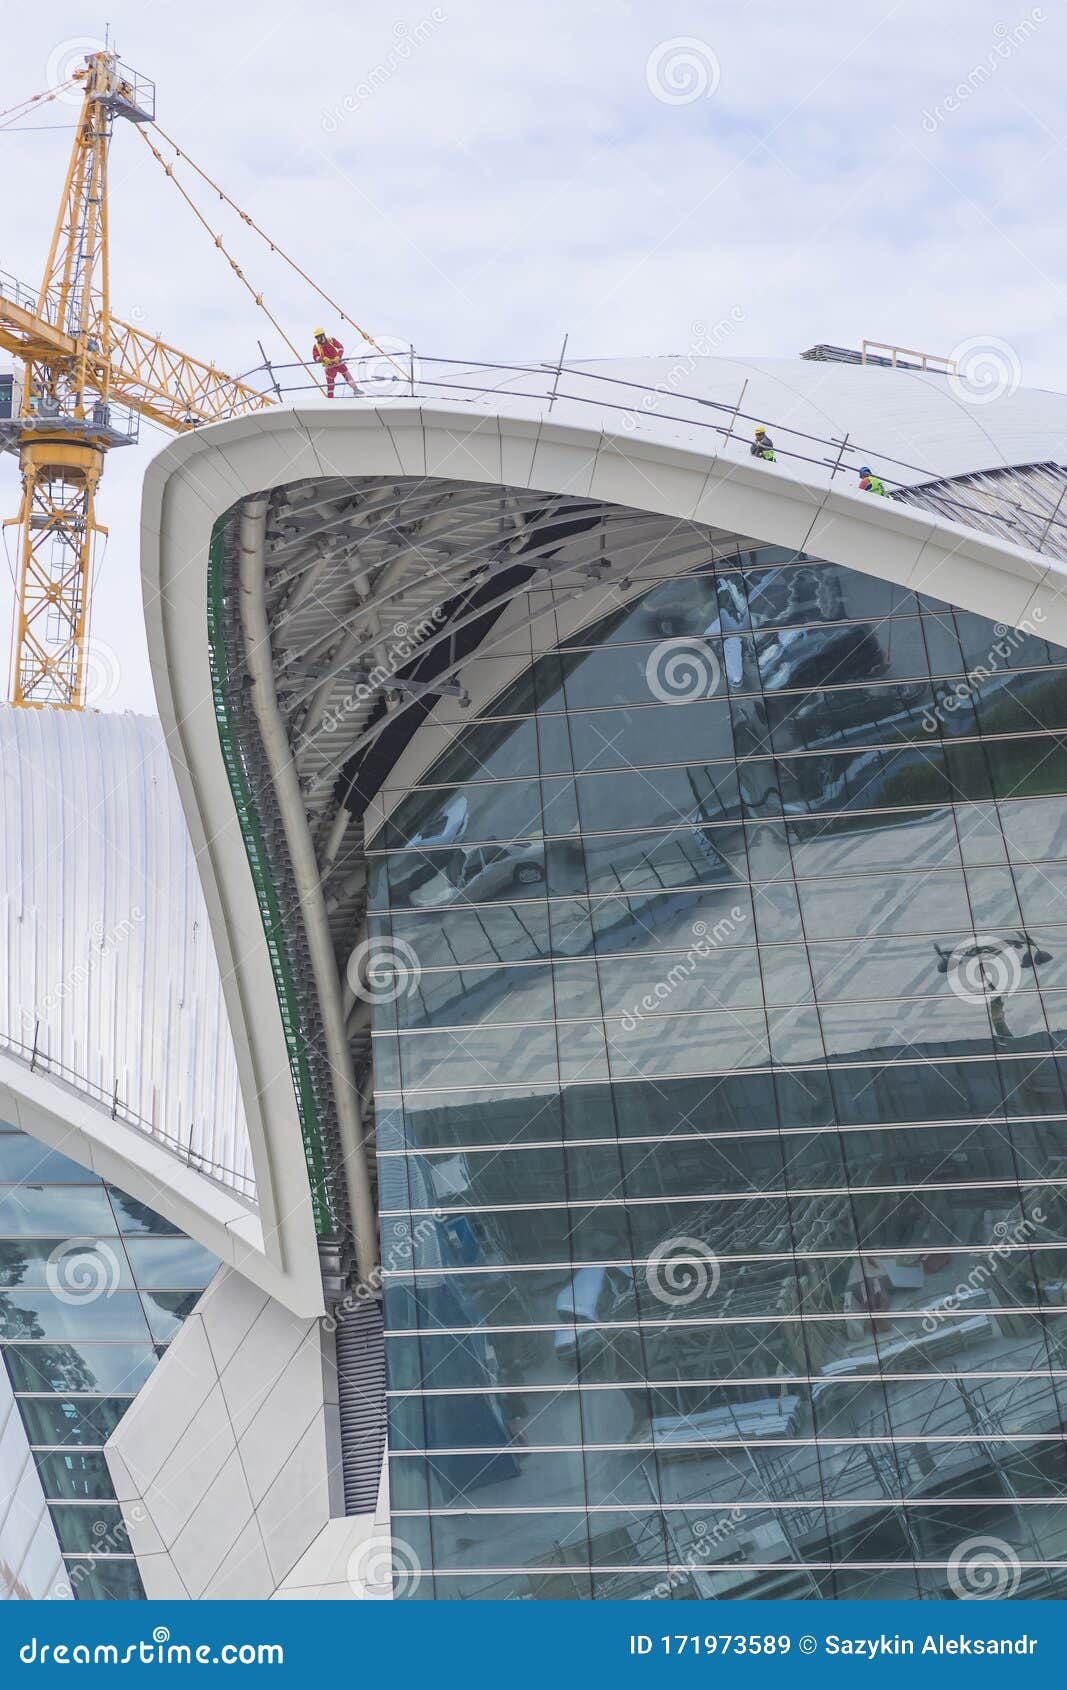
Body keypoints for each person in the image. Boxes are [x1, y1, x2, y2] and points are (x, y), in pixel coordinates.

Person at [311, 327, 358, 398]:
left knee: (347, 375)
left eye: (319, 337)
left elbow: (340, 347)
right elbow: (315, 357)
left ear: (323, 335)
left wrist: (338, 356)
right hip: (329, 367)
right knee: (330, 384)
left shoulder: (331, 340)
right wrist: (323, 359)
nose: (318, 339)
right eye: (316, 338)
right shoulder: (316, 346)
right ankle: (330, 398)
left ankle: (356, 390)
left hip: (338, 363)